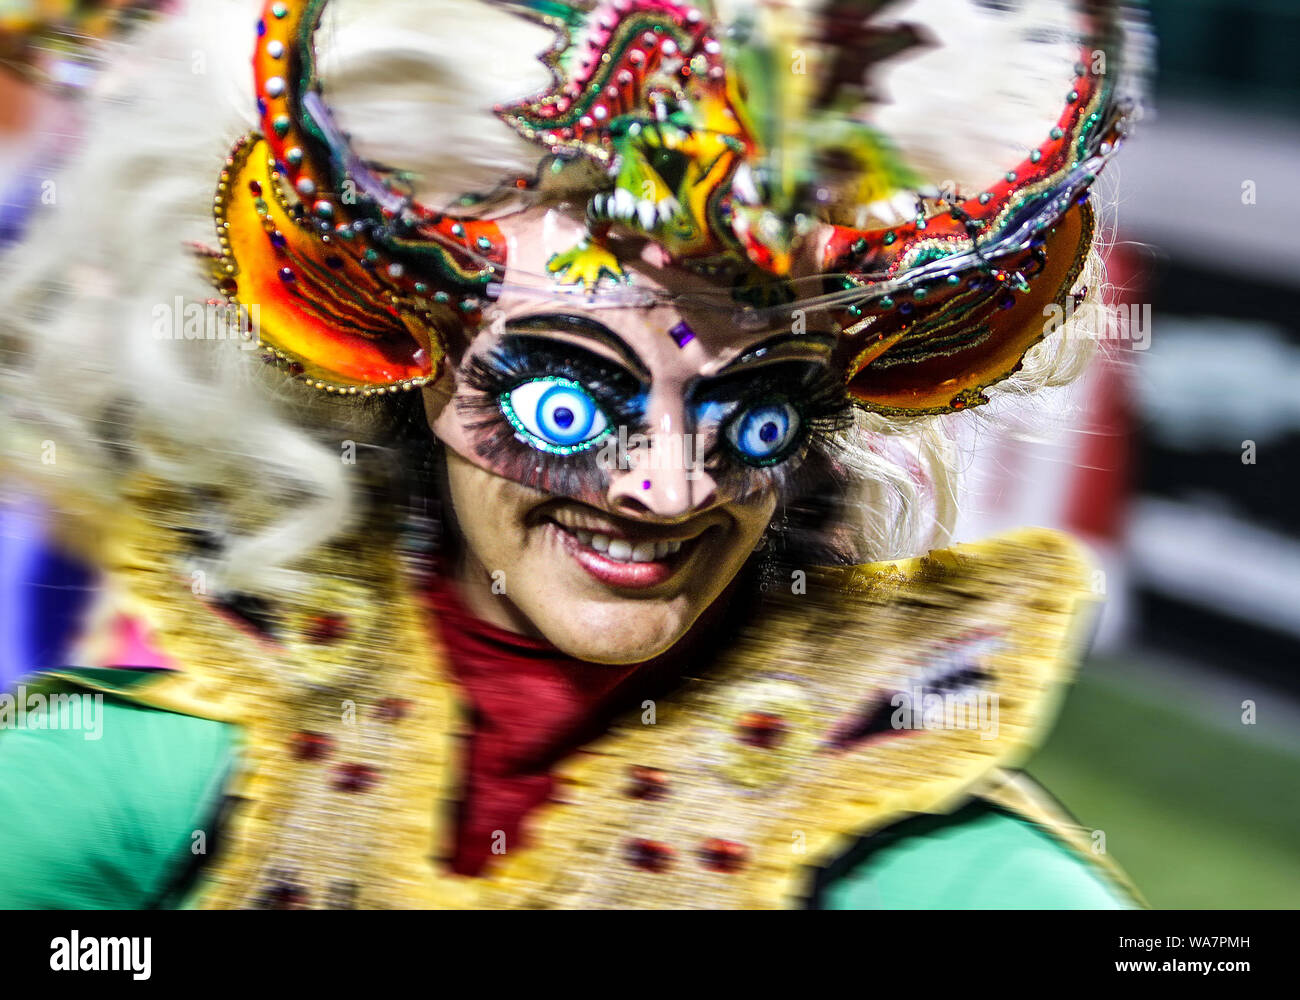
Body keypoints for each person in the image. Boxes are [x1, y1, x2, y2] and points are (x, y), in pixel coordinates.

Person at [0, 0, 1145, 908]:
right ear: (407, 347)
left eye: (752, 413)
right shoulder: (164, 772)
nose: (666, 486)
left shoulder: (913, 855)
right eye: (568, 403)